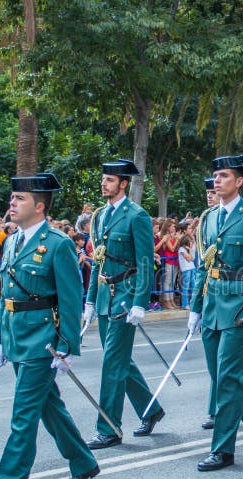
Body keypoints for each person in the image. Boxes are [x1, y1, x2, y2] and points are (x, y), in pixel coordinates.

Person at [0, 173, 99, 479]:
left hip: (43, 341)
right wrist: (1, 337)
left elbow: (70, 299)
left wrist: (66, 346)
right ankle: (83, 461)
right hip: (18, 336)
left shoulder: (57, 244)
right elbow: (8, 297)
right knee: (49, 405)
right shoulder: (15, 240)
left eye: (20, 199)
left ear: (40, 205)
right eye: (12, 198)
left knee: (23, 415)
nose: (11, 204)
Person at [189, 154, 243, 472]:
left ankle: (223, 450)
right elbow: (204, 265)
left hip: (240, 305)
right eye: (215, 176)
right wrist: (195, 307)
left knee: (227, 376)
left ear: (239, 181)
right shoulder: (209, 218)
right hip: (212, 304)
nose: (217, 181)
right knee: (221, 375)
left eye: (224, 176)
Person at [83, 159, 161, 449]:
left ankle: (109, 427)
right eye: (103, 179)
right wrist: (90, 299)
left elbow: (144, 261)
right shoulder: (101, 215)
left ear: (123, 183)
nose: (104, 184)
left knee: (112, 363)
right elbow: (100, 260)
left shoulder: (136, 216)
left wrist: (141, 302)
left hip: (126, 296)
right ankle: (150, 408)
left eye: (110, 180)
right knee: (119, 360)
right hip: (105, 295)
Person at [178, 233, 195, 309]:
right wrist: (190, 249)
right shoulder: (181, 249)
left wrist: (190, 250)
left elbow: (192, 259)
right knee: (186, 287)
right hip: (186, 269)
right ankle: (185, 304)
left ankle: (192, 302)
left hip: (192, 268)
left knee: (193, 286)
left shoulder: (188, 250)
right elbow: (188, 259)